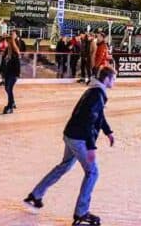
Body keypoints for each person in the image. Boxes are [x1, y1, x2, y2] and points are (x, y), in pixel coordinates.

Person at [24, 66, 116, 225]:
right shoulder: (96, 95)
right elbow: (88, 121)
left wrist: (108, 131)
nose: (115, 81)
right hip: (79, 138)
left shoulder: (95, 91)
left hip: (71, 134)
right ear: (106, 79)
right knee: (92, 172)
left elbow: (98, 115)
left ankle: (36, 195)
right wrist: (91, 147)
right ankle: (81, 213)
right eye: (114, 78)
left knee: (64, 166)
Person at [1, 31, 21, 114]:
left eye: (6, 42)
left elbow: (17, 64)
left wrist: (17, 74)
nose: (5, 43)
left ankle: (10, 106)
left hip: (13, 73)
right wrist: (1, 71)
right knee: (7, 88)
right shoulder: (6, 52)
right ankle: (12, 102)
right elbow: (3, 63)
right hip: (7, 73)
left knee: (9, 88)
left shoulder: (15, 53)